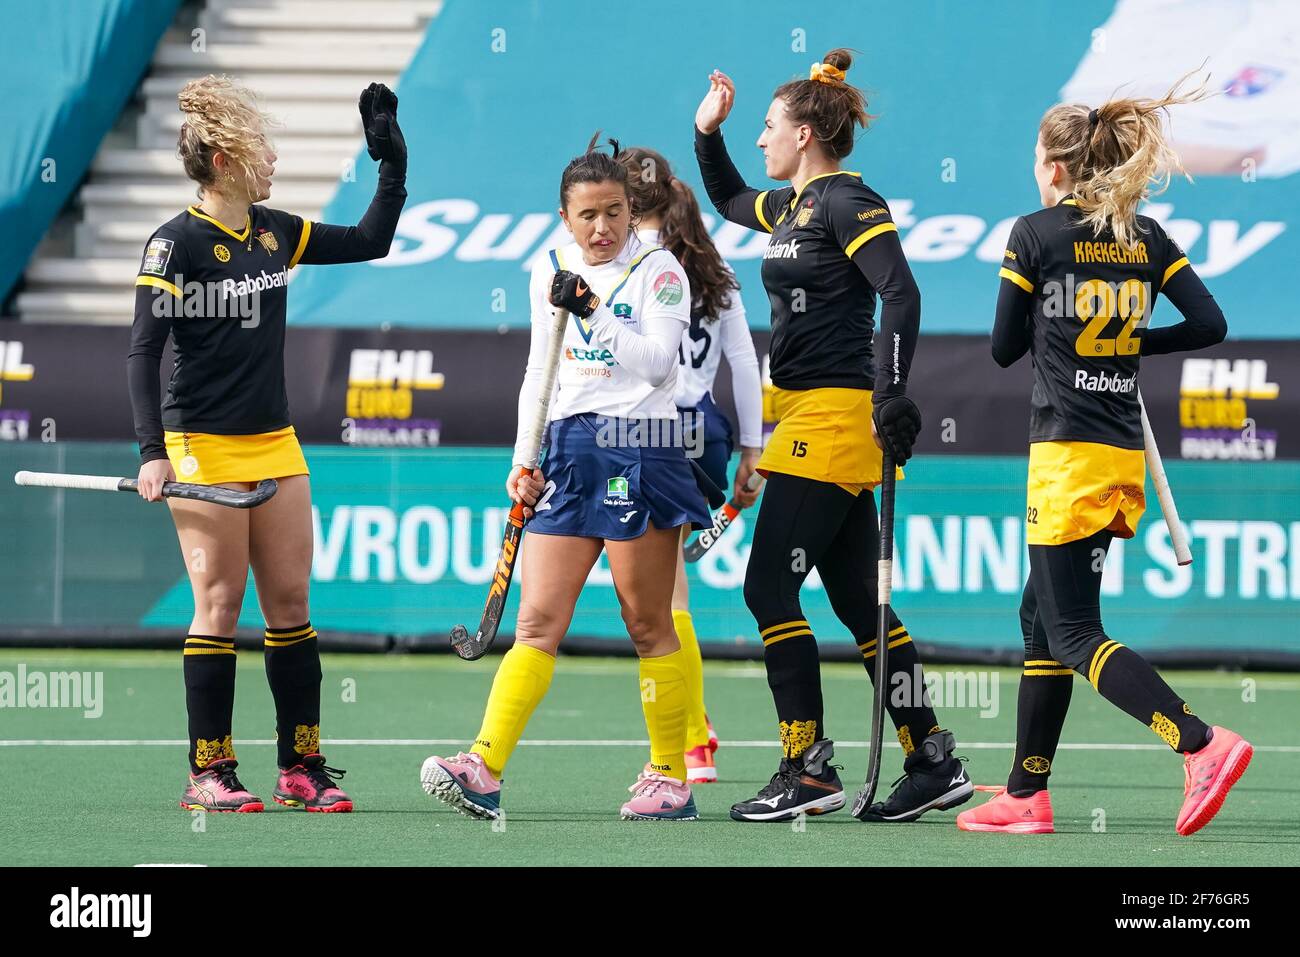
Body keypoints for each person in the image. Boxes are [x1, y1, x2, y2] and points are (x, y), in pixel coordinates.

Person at [958, 75, 1252, 835]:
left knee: (1074, 631)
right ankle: (1027, 793)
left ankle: (1198, 741)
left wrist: (1056, 329)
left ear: (1054, 168)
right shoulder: (1144, 237)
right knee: (1042, 617)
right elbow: (1210, 323)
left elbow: (1000, 349)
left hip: (1066, 456)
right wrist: (1131, 342)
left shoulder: (1035, 233)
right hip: (1118, 455)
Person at [694, 50, 973, 823]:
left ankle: (807, 767)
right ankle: (931, 757)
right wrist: (705, 132)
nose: (761, 140)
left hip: (838, 417)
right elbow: (725, 196)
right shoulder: (790, 207)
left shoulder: (849, 202)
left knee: (767, 587)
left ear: (807, 132)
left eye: (768, 127)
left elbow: (901, 292)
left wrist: (891, 394)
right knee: (858, 601)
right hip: (807, 415)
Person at [128, 76, 407, 812]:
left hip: (275, 443)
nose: (274, 158)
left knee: (290, 604)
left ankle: (301, 765)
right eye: (261, 148)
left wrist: (391, 162)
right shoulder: (173, 244)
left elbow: (372, 241)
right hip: (200, 447)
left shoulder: (275, 231)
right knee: (218, 603)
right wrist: (152, 450)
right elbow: (142, 351)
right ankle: (209, 770)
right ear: (223, 159)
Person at [420, 136, 712, 822]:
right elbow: (538, 370)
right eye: (588, 215)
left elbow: (659, 365)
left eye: (613, 212)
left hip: (643, 446)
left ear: (629, 208)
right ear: (564, 216)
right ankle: (484, 766)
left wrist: (590, 309)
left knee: (647, 622)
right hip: (569, 450)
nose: (602, 228)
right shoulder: (545, 268)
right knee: (536, 620)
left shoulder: (659, 269)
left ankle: (671, 777)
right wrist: (524, 459)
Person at [621, 145, 764, 784]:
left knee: (660, 595)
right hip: (704, 431)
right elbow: (743, 364)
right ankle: (694, 738)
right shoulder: (711, 268)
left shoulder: (628, 263)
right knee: (669, 587)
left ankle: (691, 739)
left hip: (642, 428)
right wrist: (753, 452)